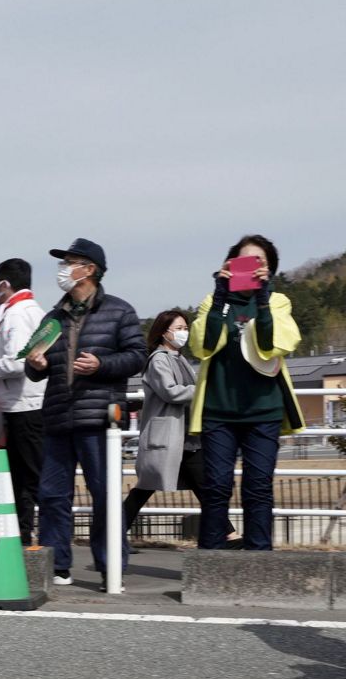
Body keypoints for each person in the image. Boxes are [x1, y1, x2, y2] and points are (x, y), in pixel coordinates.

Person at [25, 238, 146, 588]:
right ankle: (55, 565)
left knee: (105, 494)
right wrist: (36, 363)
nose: (63, 270)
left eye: (70, 262)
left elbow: (138, 355)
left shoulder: (119, 311)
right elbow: (34, 370)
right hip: (58, 417)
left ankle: (111, 566)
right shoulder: (52, 317)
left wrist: (101, 364)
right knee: (51, 495)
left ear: (89, 269)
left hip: (99, 419)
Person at [189, 235, 304, 550]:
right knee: (215, 486)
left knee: (258, 486)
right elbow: (202, 345)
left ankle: (259, 557)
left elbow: (271, 345)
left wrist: (263, 299)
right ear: (229, 265)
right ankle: (210, 557)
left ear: (270, 269)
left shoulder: (278, 301)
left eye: (260, 263)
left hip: (263, 410)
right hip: (218, 410)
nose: (253, 268)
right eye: (244, 261)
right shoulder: (213, 301)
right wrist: (219, 297)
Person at [123, 310, 235, 544]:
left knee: (203, 487)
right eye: (179, 328)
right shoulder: (159, 359)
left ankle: (228, 534)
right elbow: (170, 391)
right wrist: (203, 391)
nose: (184, 332)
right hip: (171, 436)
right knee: (147, 489)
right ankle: (111, 532)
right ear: (164, 332)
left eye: (186, 327)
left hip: (185, 436)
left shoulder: (179, 358)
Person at [0, 258, 45, 545]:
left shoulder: (16, 315)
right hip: (27, 403)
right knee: (25, 477)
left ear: (4, 284)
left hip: (23, 405)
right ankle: (23, 535)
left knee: (24, 477)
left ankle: (24, 536)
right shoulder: (32, 310)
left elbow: (16, 362)